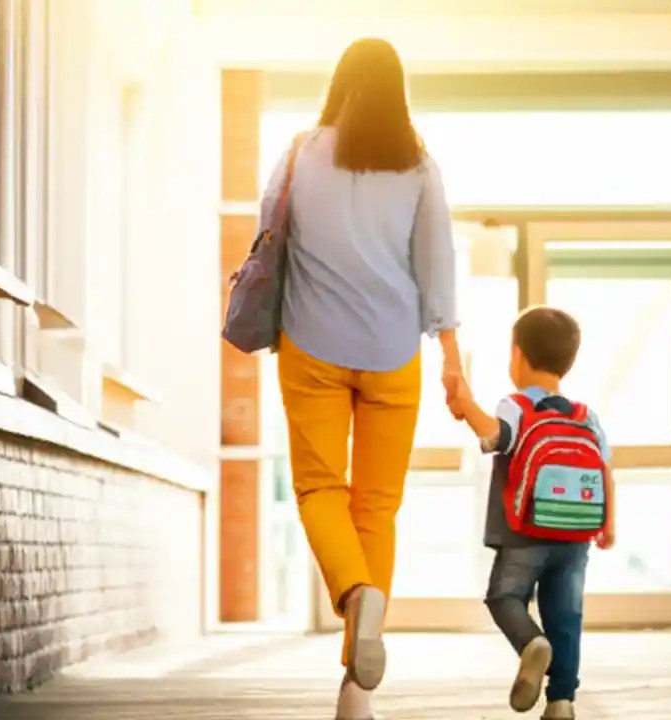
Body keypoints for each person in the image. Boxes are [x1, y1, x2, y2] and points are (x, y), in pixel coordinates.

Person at [265, 38, 462, 720]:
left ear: (340, 83)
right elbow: (438, 263)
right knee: (375, 510)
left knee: (321, 490)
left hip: (311, 346)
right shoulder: (418, 165)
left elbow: (269, 237)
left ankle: (354, 593)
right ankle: (356, 694)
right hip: (391, 354)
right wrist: (453, 359)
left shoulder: (300, 151)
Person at [447, 306, 616, 720]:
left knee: (504, 596)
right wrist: (606, 523)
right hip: (575, 538)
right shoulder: (584, 415)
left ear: (517, 356)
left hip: (523, 533)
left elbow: (493, 435)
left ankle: (529, 644)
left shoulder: (517, 406)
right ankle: (562, 702)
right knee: (566, 616)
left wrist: (465, 403)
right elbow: (605, 470)